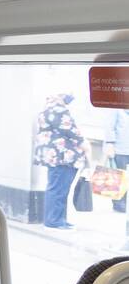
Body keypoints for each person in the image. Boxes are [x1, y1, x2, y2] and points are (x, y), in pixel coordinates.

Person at [33, 93, 87, 229]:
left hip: (57, 155)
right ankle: (54, 221)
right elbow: (70, 129)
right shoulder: (58, 110)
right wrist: (83, 142)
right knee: (58, 189)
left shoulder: (48, 108)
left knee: (59, 188)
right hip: (62, 156)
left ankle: (59, 219)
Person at [111, 108, 129, 214]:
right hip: (120, 148)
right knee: (119, 177)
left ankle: (126, 201)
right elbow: (110, 127)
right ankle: (118, 203)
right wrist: (110, 144)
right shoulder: (116, 108)